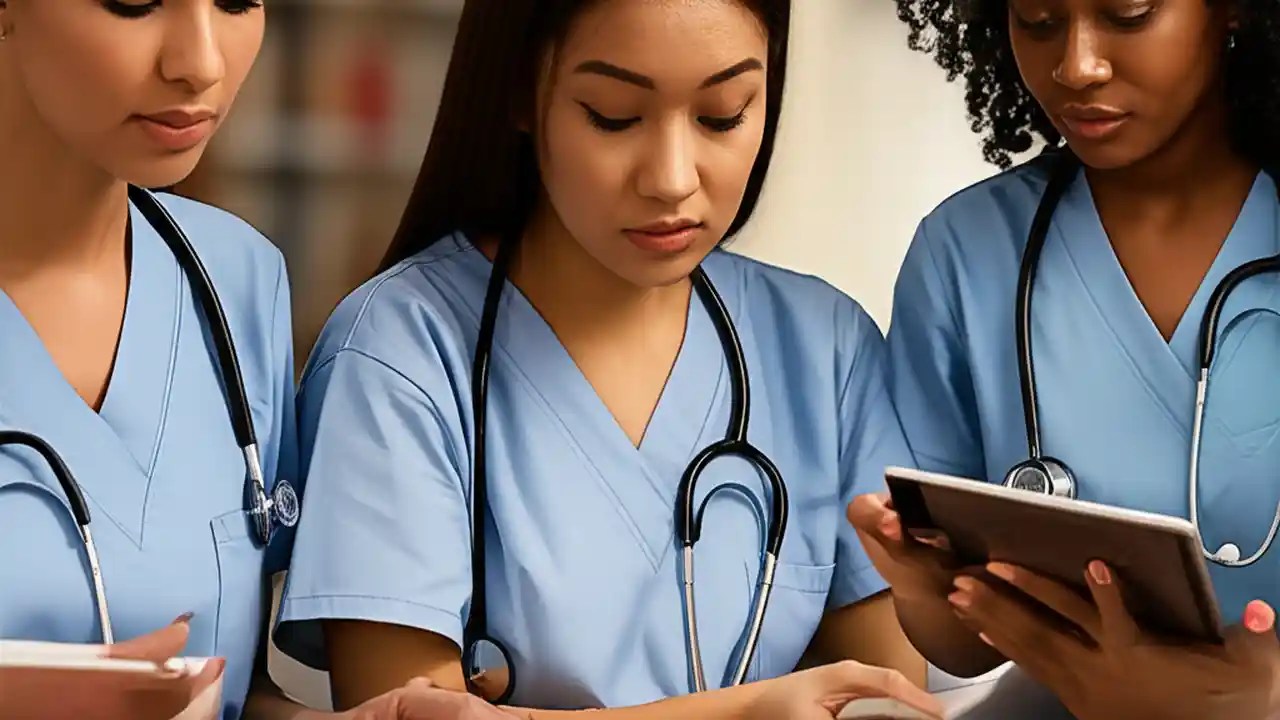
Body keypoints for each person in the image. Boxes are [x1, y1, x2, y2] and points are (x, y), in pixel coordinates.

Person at [272, 1, 942, 719]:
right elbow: (401, 714)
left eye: (722, 116)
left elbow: (881, 701)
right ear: (519, 92)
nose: (672, 178)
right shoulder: (400, 351)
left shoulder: (825, 349)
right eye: (615, 117)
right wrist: (746, 712)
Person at [0, 2, 484, 718]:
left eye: (235, 1)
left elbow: (232, 696)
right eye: (135, 3)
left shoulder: (237, 281)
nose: (200, 62)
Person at [849, 0, 1280, 717]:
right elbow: (964, 648)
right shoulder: (967, 251)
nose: (1077, 66)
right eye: (1039, 20)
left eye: (1129, 13)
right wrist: (924, 586)